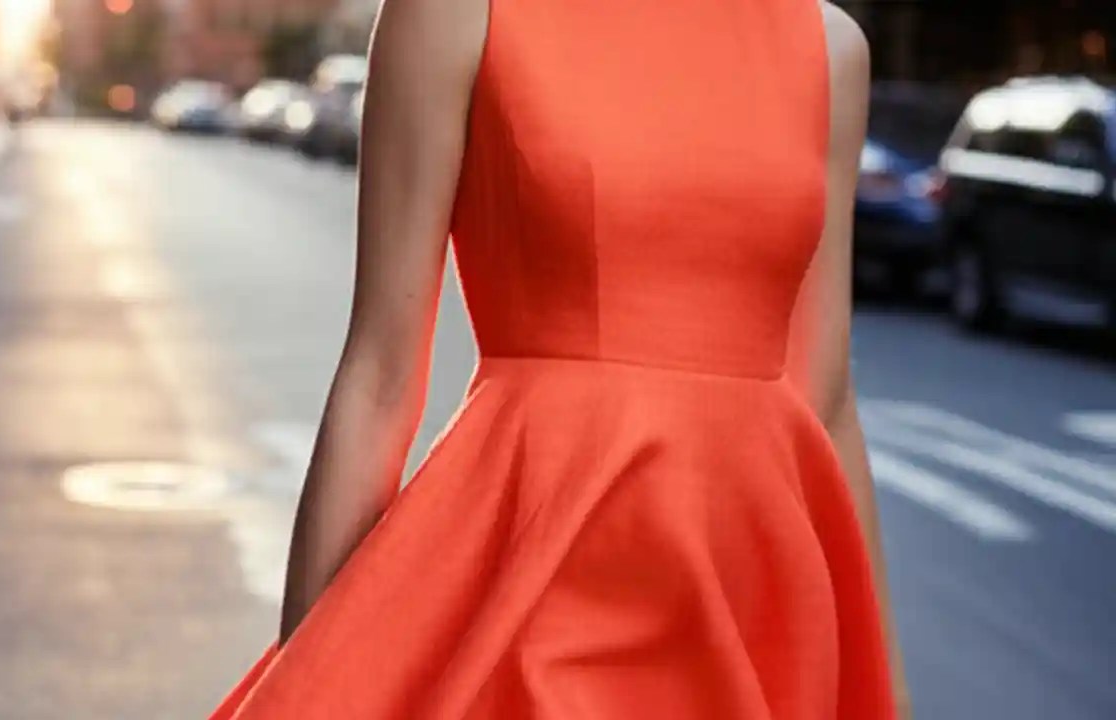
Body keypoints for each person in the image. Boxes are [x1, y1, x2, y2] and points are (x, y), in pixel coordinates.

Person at [212, 0, 911, 717]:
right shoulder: (455, 15)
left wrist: (881, 694)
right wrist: (305, 683)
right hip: (546, 575)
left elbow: (826, 400)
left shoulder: (828, 48)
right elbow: (380, 376)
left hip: (756, 601)